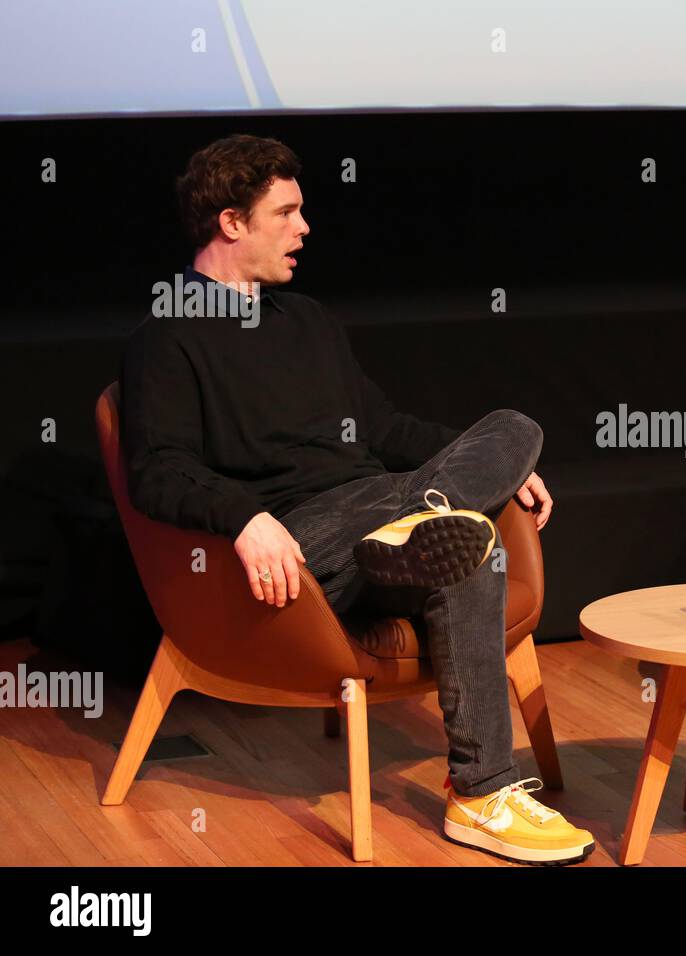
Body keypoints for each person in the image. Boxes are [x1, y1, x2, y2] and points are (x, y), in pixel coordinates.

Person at [121, 133, 594, 865]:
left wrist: (489, 462)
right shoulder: (168, 337)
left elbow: (384, 429)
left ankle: (479, 795)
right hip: (302, 545)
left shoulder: (306, 320)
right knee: (458, 525)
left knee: (510, 437)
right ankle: (427, 521)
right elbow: (156, 469)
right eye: (286, 213)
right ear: (231, 222)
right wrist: (246, 518)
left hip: (386, 524)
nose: (304, 228)